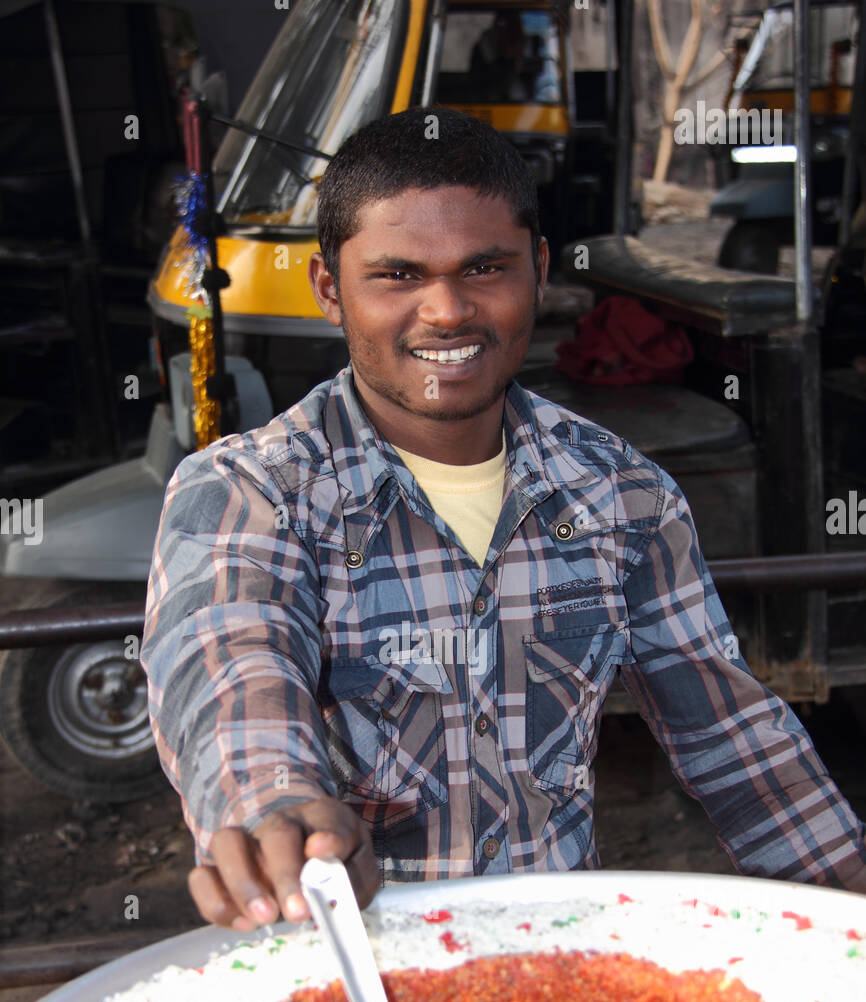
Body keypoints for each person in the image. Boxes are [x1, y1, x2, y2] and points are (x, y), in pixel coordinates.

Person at [140, 107, 866, 933]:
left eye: (484, 268)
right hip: (352, 968)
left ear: (540, 271)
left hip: (559, 960)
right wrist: (279, 805)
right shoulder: (248, 492)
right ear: (329, 290)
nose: (448, 310)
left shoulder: (625, 495)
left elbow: (734, 740)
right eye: (398, 275)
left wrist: (849, 905)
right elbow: (231, 674)